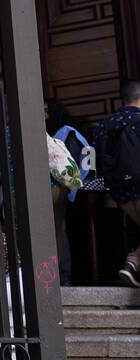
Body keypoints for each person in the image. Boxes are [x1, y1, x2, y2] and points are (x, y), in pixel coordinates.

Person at [92, 81, 140, 286]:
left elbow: (97, 160)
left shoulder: (103, 125)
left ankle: (133, 264)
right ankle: (132, 261)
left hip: (121, 195)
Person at [46, 98, 91, 286]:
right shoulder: (67, 132)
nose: (44, 115)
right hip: (70, 192)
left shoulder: (66, 133)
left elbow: (83, 163)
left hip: (67, 192)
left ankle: (63, 277)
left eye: (47, 111)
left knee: (60, 234)